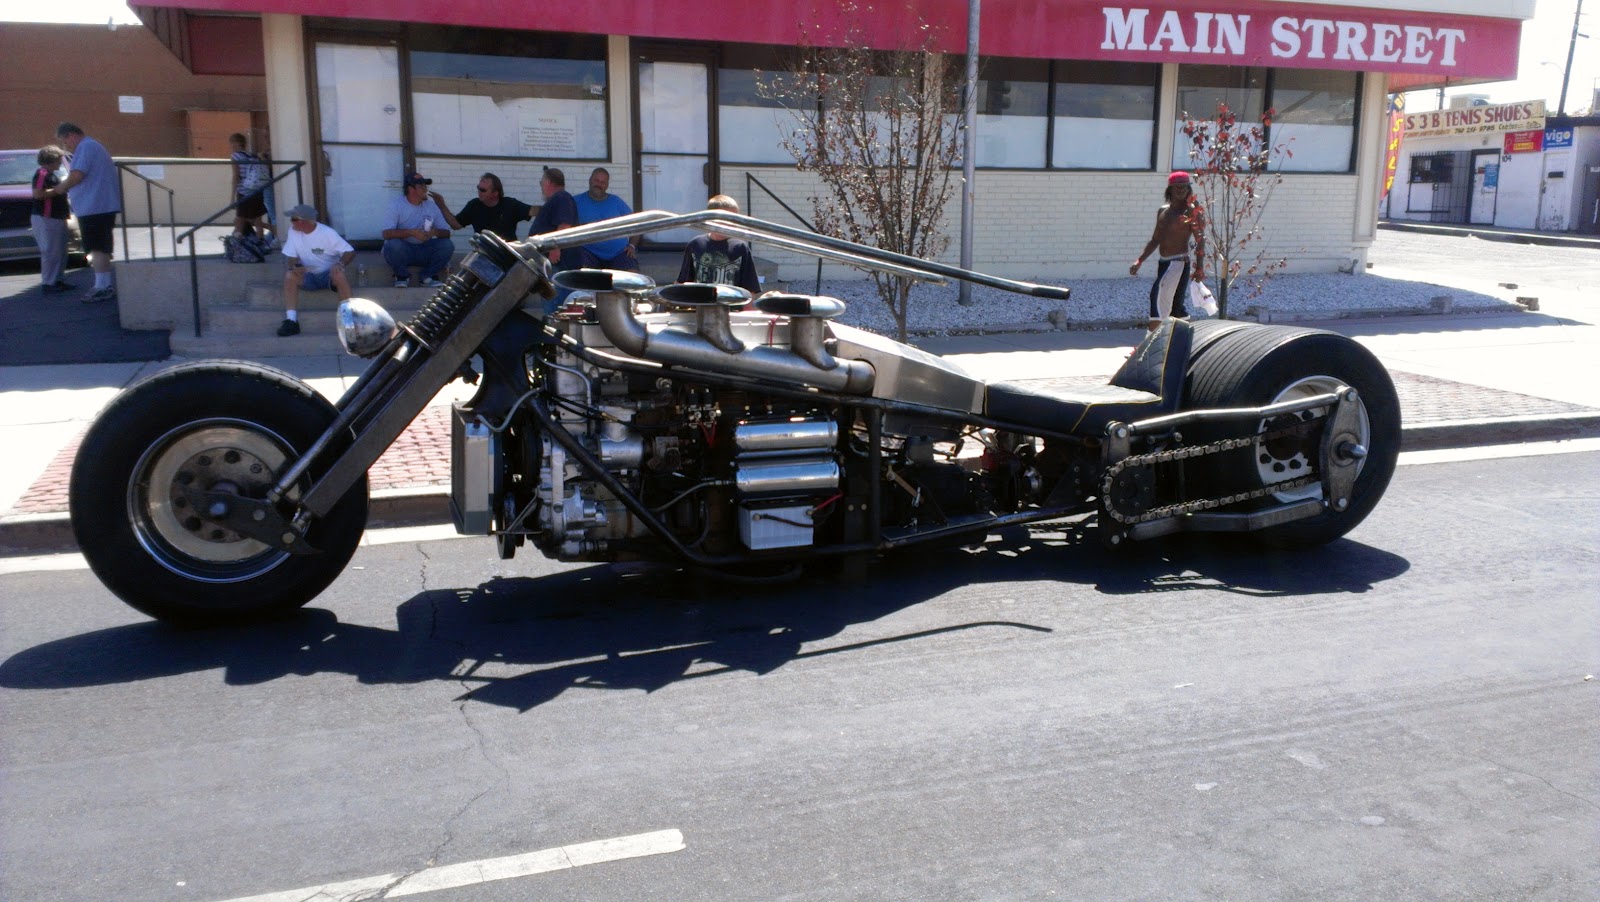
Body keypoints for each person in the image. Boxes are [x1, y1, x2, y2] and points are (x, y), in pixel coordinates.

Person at [48, 123, 120, 303]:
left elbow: (77, 175)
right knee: (99, 247)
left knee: (98, 248)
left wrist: (58, 189)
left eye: (65, 141)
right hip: (97, 206)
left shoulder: (86, 147)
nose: (66, 146)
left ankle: (103, 287)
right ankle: (103, 285)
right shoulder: (91, 146)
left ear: (72, 135)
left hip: (95, 207)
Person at [1130, 171, 1206, 332]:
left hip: (1177, 263)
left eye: (1185, 187)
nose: (1181, 190)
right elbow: (1155, 239)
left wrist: (1199, 268)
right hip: (1164, 263)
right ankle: (1185, 340)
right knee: (1176, 306)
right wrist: (1140, 260)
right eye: (1177, 187)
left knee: (1157, 299)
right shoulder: (1163, 211)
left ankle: (1150, 345)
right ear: (1170, 189)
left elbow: (1200, 240)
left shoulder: (1191, 211)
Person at [276, 203, 355, 337]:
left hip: (328, 275)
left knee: (339, 275)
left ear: (303, 222)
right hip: (307, 274)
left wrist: (340, 264)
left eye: (293, 219)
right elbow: (291, 257)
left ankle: (349, 321)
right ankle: (291, 320)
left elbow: (349, 251)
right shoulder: (292, 232)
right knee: (290, 275)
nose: (291, 222)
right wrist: (295, 266)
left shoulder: (327, 233)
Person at [677, 195, 760, 295]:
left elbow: (749, 288)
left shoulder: (740, 248)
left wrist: (748, 309)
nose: (730, 224)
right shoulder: (695, 244)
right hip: (701, 305)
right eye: (726, 219)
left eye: (734, 220)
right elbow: (683, 282)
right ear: (710, 219)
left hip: (731, 307)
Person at [381, 172, 453, 288]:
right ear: (411, 189)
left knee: (447, 245)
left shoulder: (431, 206)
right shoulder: (396, 205)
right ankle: (402, 276)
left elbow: (447, 233)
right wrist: (411, 232)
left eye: (425, 186)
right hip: (403, 250)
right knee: (392, 245)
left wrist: (435, 232)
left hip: (424, 249)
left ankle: (427, 277)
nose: (425, 189)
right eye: (421, 186)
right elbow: (386, 234)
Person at [430, 172, 533, 242]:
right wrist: (441, 205)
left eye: (483, 190)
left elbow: (534, 211)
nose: (479, 192)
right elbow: (456, 225)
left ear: (495, 193)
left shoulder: (510, 204)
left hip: (508, 252)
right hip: (484, 252)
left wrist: (549, 205)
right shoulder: (474, 205)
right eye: (478, 188)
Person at [569, 167, 638, 271]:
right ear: (590, 180)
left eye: (603, 182)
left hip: (618, 253)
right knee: (582, 277)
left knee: (633, 278)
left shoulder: (616, 202)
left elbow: (636, 223)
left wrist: (632, 245)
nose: (599, 184)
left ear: (607, 185)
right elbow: (563, 223)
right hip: (588, 252)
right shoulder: (576, 201)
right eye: (596, 180)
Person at [30, 145, 73, 294]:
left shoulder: (51, 174)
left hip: (56, 217)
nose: (61, 162)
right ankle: (49, 283)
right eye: (59, 159)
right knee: (51, 251)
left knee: (59, 250)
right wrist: (57, 190)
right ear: (51, 160)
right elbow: (38, 194)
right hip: (46, 217)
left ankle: (57, 280)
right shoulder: (42, 173)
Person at [229, 133, 272, 248]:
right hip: (256, 191)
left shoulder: (235, 156)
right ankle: (260, 244)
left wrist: (232, 197)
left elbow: (236, 176)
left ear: (235, 143)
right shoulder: (252, 156)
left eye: (231, 143)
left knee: (239, 220)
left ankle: (235, 246)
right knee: (257, 220)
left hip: (243, 191)